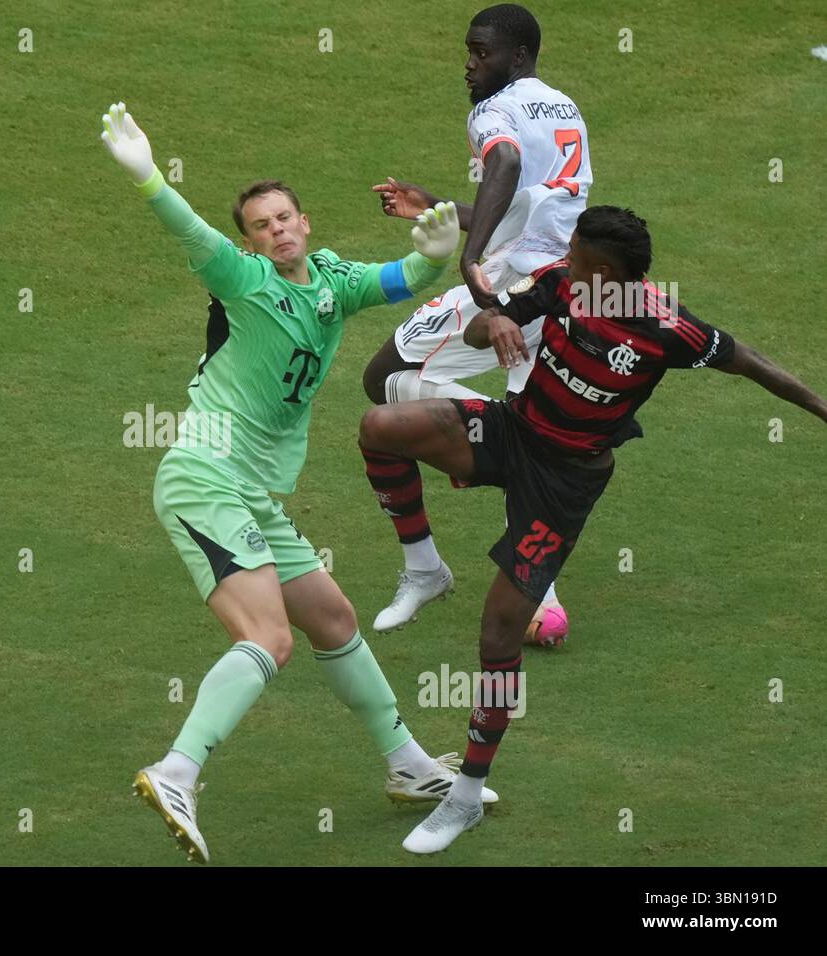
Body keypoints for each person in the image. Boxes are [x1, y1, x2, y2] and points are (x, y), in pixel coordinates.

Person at [98, 101, 497, 864]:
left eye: (284, 218)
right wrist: (149, 177)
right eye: (260, 225)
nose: (275, 230)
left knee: (334, 618)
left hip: (249, 492)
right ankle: (176, 770)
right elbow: (193, 233)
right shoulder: (244, 281)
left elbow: (397, 278)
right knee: (269, 637)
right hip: (204, 478)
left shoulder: (332, 282)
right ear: (250, 241)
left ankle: (410, 766)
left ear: (305, 223)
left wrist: (438, 255)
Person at [358, 205, 827, 853]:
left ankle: (464, 795)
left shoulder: (669, 331)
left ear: (605, 272)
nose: (564, 261)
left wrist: (822, 409)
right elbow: (483, 328)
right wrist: (492, 323)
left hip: (564, 485)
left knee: (498, 633)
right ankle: (424, 568)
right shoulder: (559, 283)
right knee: (380, 427)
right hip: (511, 433)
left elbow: (754, 363)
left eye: (576, 255)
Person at [364, 3, 591, 644]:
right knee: (397, 384)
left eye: (481, 52)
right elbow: (529, 206)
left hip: (514, 281)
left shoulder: (492, 112)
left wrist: (469, 256)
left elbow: (508, 168)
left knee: (386, 380)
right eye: (467, 51)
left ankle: (448, 571)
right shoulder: (562, 104)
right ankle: (516, 584)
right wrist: (438, 206)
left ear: (516, 56)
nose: (469, 64)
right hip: (564, 281)